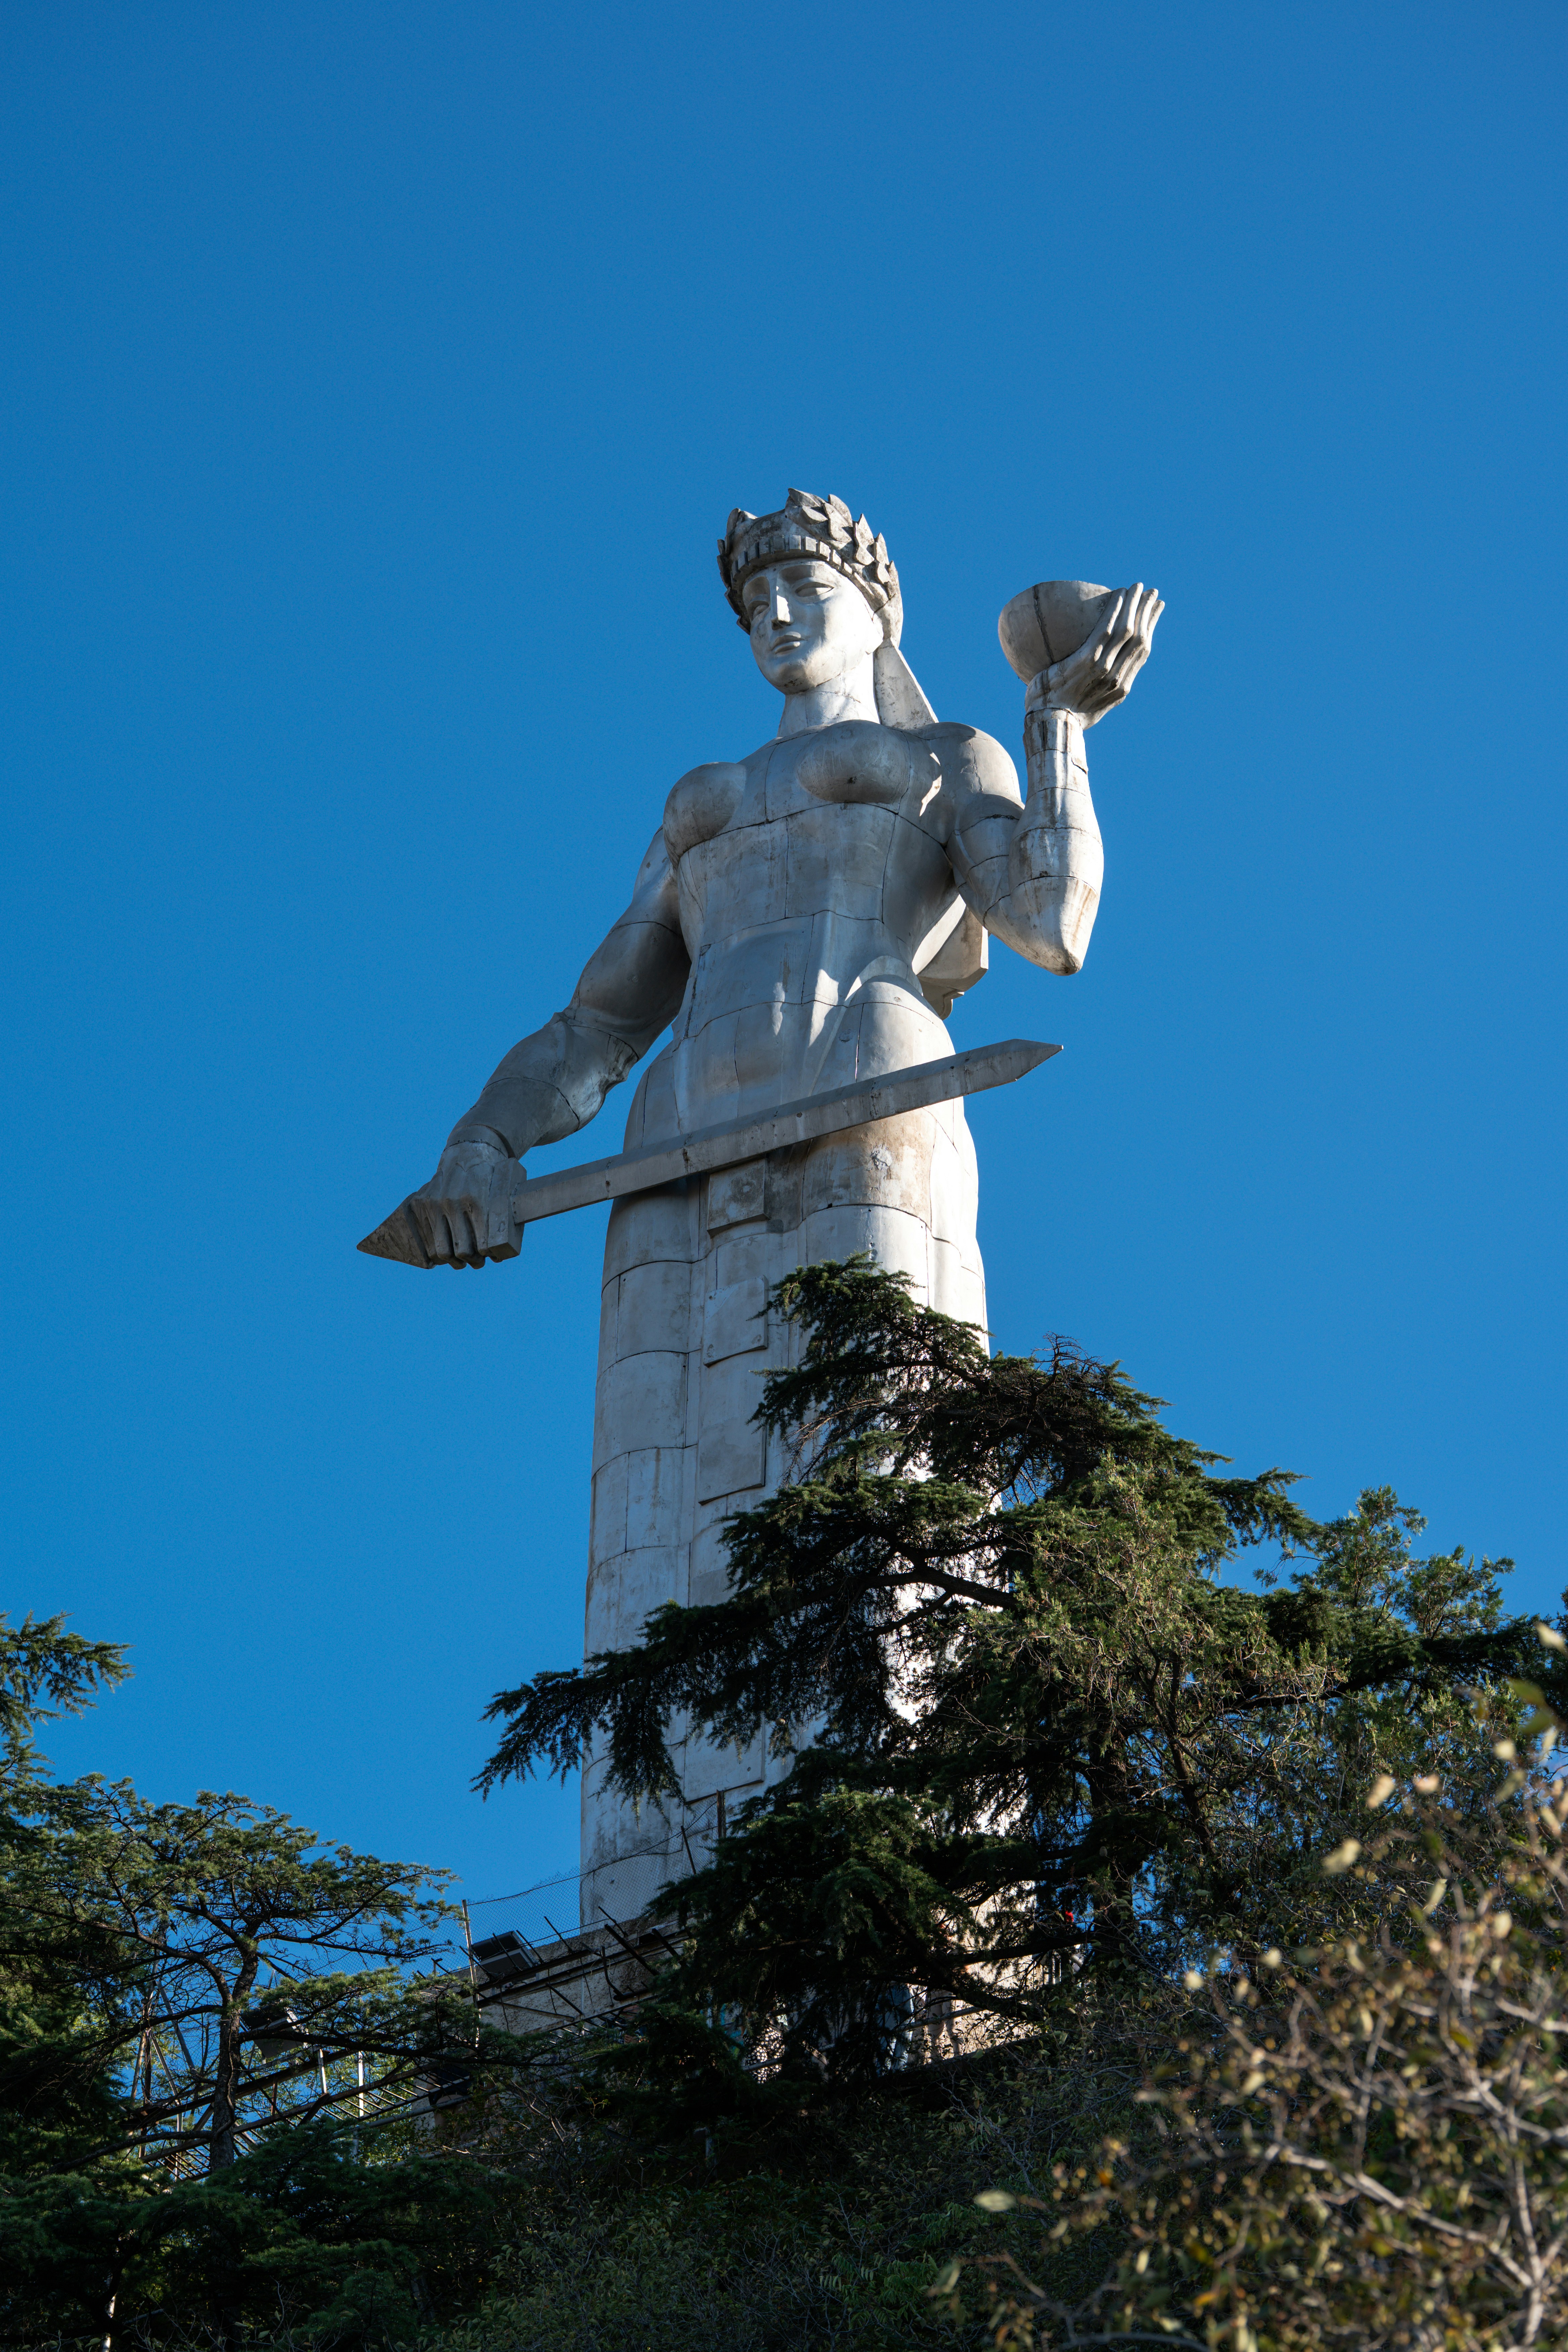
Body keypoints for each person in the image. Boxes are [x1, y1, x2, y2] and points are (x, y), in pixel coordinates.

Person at [400, 488, 1160, 1921]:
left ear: (878, 605)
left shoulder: (942, 753)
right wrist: (481, 1148)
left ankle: (896, 1860)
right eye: (755, 601)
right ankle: (647, 1902)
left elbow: (1049, 926)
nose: (779, 615)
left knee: (878, 1450)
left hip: (869, 1076)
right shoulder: (697, 802)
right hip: (672, 1135)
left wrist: (1059, 730)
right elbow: (593, 1027)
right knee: (653, 1495)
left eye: (806, 585)